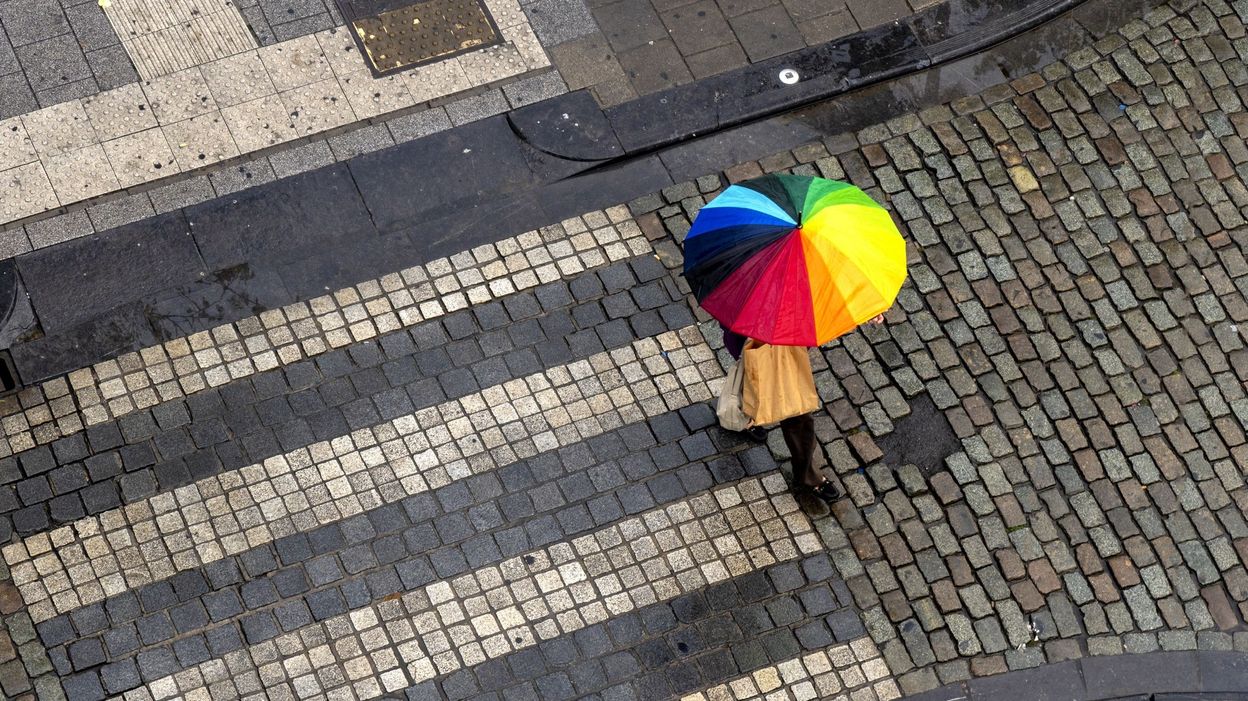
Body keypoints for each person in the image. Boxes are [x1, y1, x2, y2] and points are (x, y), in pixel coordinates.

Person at [721, 314, 885, 505]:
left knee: (789, 408)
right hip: (754, 337)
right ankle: (808, 476)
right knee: (785, 406)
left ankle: (807, 474)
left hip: (788, 341)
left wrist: (861, 310)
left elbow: (828, 295)